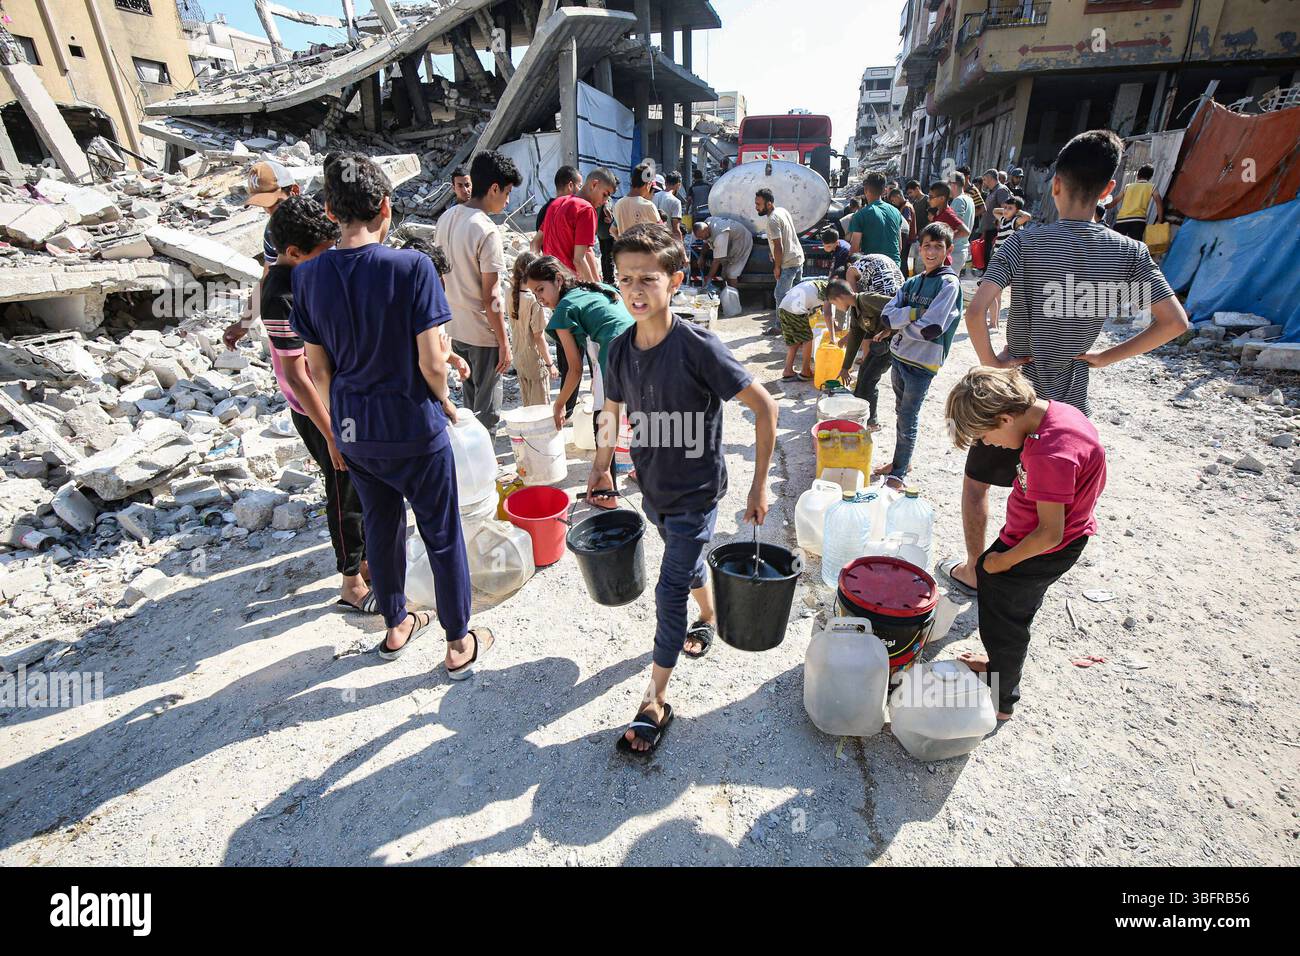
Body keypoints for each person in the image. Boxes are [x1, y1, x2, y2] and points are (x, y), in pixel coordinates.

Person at [939, 129, 1189, 597]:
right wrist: (1103, 357)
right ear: (1109, 192)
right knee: (1045, 506)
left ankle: (977, 571)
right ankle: (1022, 580)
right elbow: (1173, 322)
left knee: (978, 487)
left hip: (1010, 401)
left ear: (1055, 185)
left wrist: (994, 365)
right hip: (1067, 411)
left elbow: (976, 312)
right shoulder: (1127, 252)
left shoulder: (1023, 243)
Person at [291, 153, 493, 676]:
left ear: (331, 210)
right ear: (384, 206)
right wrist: (445, 401)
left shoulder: (308, 278)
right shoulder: (412, 267)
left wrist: (338, 428)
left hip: (356, 428)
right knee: (440, 531)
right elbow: (431, 360)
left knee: (381, 527)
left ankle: (396, 623)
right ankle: (456, 641)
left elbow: (318, 366)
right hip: (412, 426)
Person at [587, 223, 778, 755]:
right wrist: (600, 466)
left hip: (695, 494)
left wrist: (758, 487)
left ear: (675, 280)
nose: (634, 290)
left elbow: (766, 408)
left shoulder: (699, 347)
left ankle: (655, 698)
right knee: (684, 562)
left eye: (648, 278)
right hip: (652, 488)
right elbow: (611, 411)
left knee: (669, 588)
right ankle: (710, 616)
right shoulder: (619, 349)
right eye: (625, 279)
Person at [944, 366, 1106, 720]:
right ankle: (998, 667)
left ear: (1004, 418)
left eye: (986, 437)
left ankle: (1002, 702)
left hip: (1038, 548)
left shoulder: (1049, 454)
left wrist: (1001, 563)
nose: (988, 446)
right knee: (1015, 609)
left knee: (1004, 623)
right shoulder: (1057, 414)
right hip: (1035, 537)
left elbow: (1051, 533)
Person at [260, 196, 372, 613]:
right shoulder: (280, 297)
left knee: (362, 483)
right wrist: (331, 434)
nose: (329, 260)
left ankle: (367, 561)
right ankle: (350, 582)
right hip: (317, 411)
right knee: (344, 489)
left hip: (339, 397)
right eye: (321, 254)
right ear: (294, 253)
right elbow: (296, 375)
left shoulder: (303, 276)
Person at [435, 149, 521, 431]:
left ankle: (471, 467)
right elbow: (492, 295)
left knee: (469, 406)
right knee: (488, 413)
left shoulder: (446, 218)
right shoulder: (486, 230)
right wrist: (504, 342)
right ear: (494, 188)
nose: (507, 201)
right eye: (507, 193)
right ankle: (485, 472)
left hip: (454, 327)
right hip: (482, 334)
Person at [872, 222, 963, 484]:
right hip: (899, 358)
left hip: (921, 365)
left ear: (949, 250)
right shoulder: (913, 281)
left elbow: (931, 330)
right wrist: (914, 314)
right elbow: (887, 317)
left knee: (908, 417)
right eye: (926, 246)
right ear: (919, 249)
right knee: (901, 413)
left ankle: (899, 474)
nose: (931, 252)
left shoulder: (948, 284)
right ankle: (902, 461)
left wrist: (902, 324)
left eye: (938, 247)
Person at [524, 256, 635, 432]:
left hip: (619, 355)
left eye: (541, 290)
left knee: (606, 427)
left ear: (558, 280)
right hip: (645, 344)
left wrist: (559, 404)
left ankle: (607, 459)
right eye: (535, 294)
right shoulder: (598, 288)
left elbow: (575, 369)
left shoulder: (563, 310)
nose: (540, 299)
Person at [222, 159, 304, 351]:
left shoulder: (326, 222)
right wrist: (244, 322)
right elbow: (267, 278)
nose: (270, 211)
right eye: (264, 206)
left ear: (294, 191)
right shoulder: (272, 232)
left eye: (276, 203)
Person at [829, 254, 903, 429]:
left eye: (834, 304)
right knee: (862, 377)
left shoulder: (867, 299)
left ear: (840, 298)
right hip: (880, 345)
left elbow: (898, 307)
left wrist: (889, 330)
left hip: (894, 342)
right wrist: (845, 367)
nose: (837, 308)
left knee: (869, 380)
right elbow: (855, 335)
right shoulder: (855, 309)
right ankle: (862, 417)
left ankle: (871, 422)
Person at [541, 167, 617, 283]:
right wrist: (595, 289)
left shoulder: (555, 204)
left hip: (549, 279)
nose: (605, 201)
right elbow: (579, 260)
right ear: (594, 184)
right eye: (605, 195)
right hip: (569, 283)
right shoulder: (586, 209)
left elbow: (587, 251)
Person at [507, 251, 556, 407]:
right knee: (540, 407)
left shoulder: (509, 292)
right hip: (534, 359)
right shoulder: (534, 301)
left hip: (519, 355)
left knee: (528, 404)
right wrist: (550, 364)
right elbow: (538, 337)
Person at [755, 187, 806, 332]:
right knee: (796, 295)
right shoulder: (782, 211)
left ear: (769, 204)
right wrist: (773, 253)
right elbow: (785, 236)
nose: (756, 207)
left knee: (780, 295)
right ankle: (796, 325)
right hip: (797, 258)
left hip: (788, 263)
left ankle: (780, 327)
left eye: (759, 204)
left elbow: (779, 246)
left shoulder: (772, 220)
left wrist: (777, 267)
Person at [776, 277, 830, 382]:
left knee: (794, 342)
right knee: (808, 339)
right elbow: (828, 313)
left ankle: (788, 371)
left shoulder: (816, 284)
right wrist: (833, 331)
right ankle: (805, 371)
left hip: (783, 308)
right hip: (795, 310)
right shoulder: (827, 288)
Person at [848, 172, 905, 269]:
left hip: (872, 269)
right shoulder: (896, 212)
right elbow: (899, 247)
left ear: (865, 190)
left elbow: (854, 250)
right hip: (894, 267)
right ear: (884, 191)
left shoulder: (860, 215)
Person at [530, 164, 582, 254]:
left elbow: (535, 243)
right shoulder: (559, 210)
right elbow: (536, 243)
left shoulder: (546, 209)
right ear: (570, 186)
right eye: (580, 186)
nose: (581, 191)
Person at [693, 215, 753, 290]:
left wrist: (707, 282)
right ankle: (726, 292)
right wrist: (701, 256)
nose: (702, 238)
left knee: (731, 273)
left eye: (703, 236)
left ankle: (732, 298)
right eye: (700, 237)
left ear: (706, 230)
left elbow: (716, 262)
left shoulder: (719, 235)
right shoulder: (706, 224)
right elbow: (705, 242)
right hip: (729, 241)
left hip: (741, 239)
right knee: (724, 273)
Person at [1114, 164, 1163, 241]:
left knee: (1115, 243)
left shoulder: (1128, 186)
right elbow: (1159, 202)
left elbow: (1115, 201)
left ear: (1138, 175)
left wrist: (1103, 206)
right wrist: (1159, 220)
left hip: (1122, 220)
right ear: (1150, 177)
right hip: (1138, 221)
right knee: (1134, 247)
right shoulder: (1152, 187)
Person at [613, 161, 663, 236]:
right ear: (648, 184)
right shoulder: (648, 205)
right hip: (643, 247)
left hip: (624, 247)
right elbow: (661, 232)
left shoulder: (618, 204)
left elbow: (613, 230)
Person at [926, 181, 972, 258]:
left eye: (931, 197)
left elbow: (966, 232)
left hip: (946, 258)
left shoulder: (948, 214)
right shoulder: (938, 212)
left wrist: (945, 238)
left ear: (942, 198)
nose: (928, 200)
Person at [979, 168, 1012, 267]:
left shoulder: (1001, 190)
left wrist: (1000, 226)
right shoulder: (992, 191)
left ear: (990, 178)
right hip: (989, 229)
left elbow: (1006, 210)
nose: (983, 182)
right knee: (986, 255)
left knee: (992, 256)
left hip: (996, 230)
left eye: (984, 179)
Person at [949, 171, 976, 272]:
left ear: (954, 185)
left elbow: (956, 225)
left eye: (949, 184)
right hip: (962, 248)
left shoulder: (959, 200)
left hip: (955, 250)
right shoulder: (969, 200)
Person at [904, 180, 930, 275]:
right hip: (917, 238)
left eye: (911, 192)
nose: (910, 195)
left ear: (917, 189)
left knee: (921, 264)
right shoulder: (914, 203)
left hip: (925, 237)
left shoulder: (927, 200)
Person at [652, 171, 685, 243]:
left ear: (665, 183)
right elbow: (676, 229)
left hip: (651, 237)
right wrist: (681, 246)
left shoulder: (652, 197)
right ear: (678, 185)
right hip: (666, 239)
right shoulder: (675, 201)